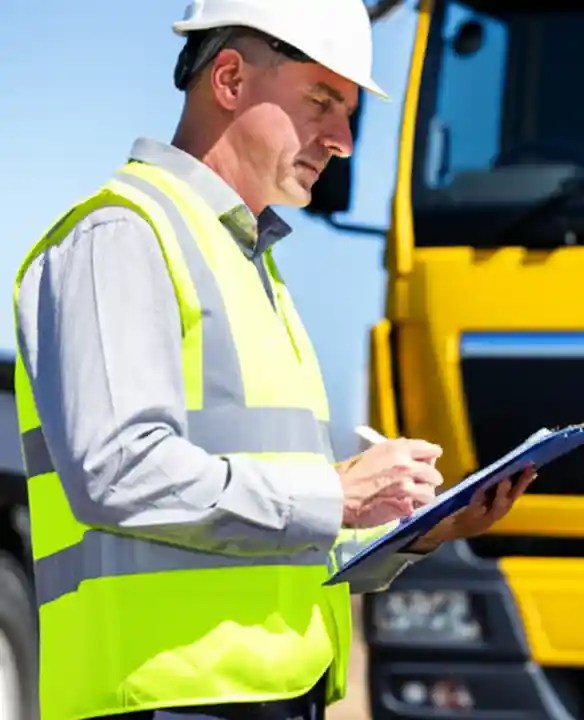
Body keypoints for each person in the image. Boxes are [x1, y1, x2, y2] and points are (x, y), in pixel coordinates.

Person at [11, 1, 536, 719]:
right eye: (321, 101)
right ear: (229, 78)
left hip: (266, 698)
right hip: (164, 701)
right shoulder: (122, 236)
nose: (343, 141)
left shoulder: (249, 263)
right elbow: (118, 471)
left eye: (348, 114)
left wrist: (419, 528)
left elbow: (280, 535)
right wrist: (338, 493)